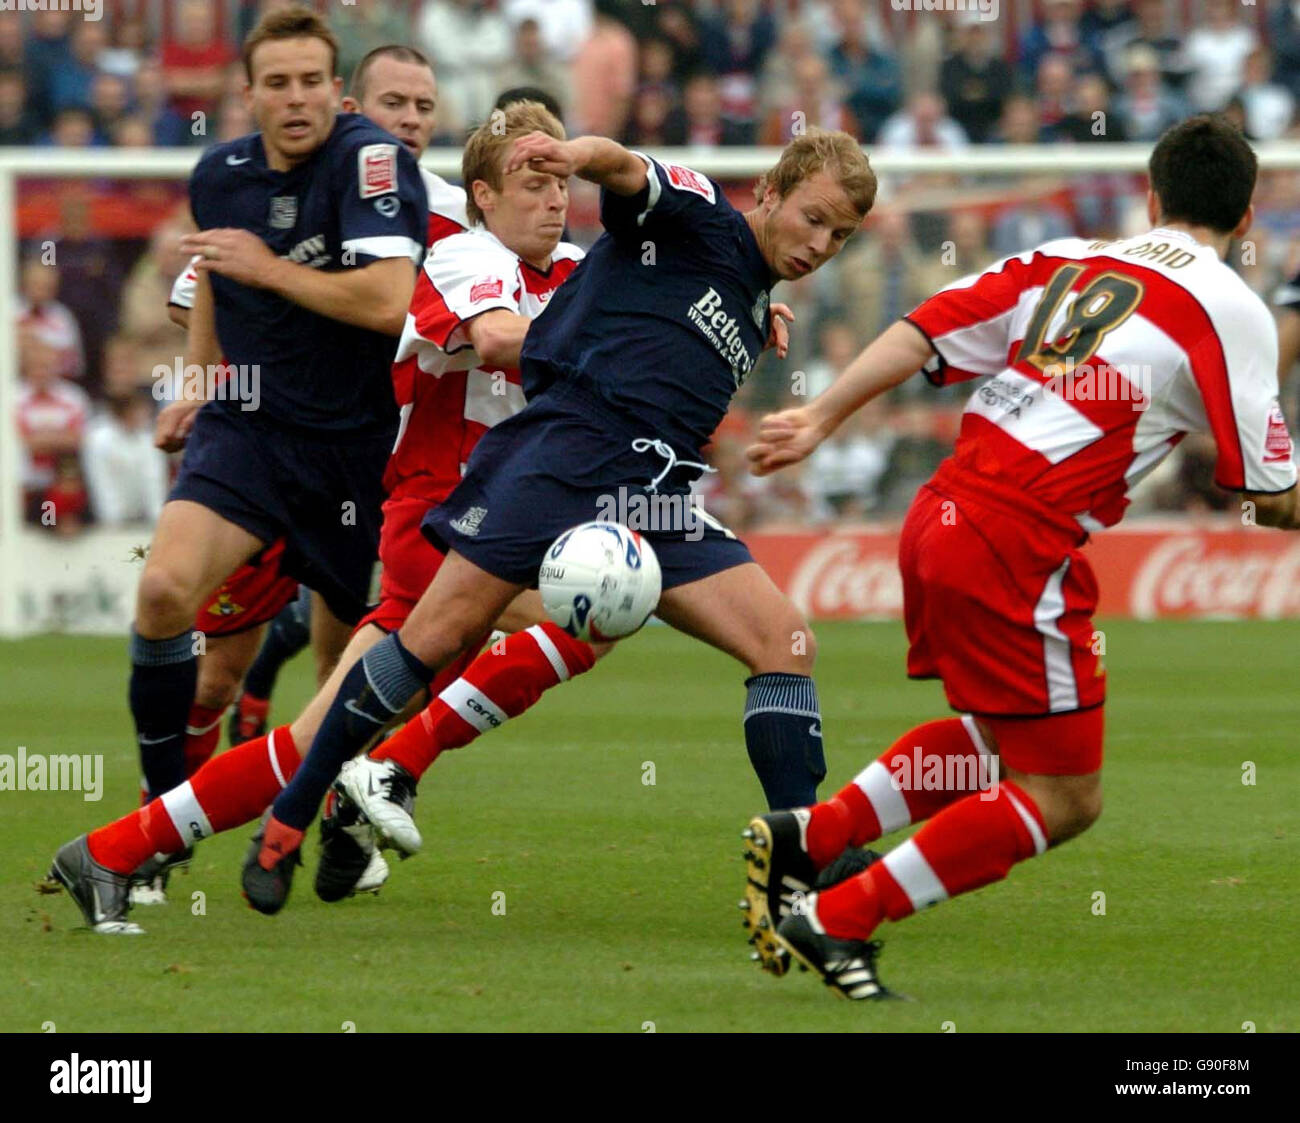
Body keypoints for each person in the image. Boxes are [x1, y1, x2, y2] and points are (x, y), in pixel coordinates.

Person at [739, 115, 1298, 998]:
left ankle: (814, 833)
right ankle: (840, 915)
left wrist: (820, 416)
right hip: (1018, 538)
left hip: (941, 513)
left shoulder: (1068, 258)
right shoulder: (1232, 309)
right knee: (1067, 794)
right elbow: (1271, 494)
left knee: (1001, 745)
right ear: (1247, 216)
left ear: (1149, 197)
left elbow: (921, 329)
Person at [265, 126, 876, 909]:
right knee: (430, 639)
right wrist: (574, 155)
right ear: (773, 191)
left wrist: (761, 311)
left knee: (786, 642)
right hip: (562, 460)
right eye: (813, 217)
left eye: (842, 235)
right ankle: (292, 813)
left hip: (654, 496)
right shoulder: (698, 214)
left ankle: (801, 857)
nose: (821, 243)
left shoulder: (756, 304)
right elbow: (624, 167)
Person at [46, 99, 602, 934]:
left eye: (563, 179)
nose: (554, 197)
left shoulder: (575, 264)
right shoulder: (462, 255)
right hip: (438, 522)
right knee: (590, 605)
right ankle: (385, 774)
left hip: (481, 525)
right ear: (483, 194)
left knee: (314, 735)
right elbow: (497, 341)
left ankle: (113, 852)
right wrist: (208, 376)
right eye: (534, 179)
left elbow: (640, 295)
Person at [45, 6, 428, 930]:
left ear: (335, 93)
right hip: (248, 433)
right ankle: (151, 831)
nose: (295, 99)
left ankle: (330, 820)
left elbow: (387, 301)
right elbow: (216, 272)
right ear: (247, 93)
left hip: (354, 457)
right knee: (164, 593)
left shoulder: (372, 164)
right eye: (277, 83)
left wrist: (270, 268)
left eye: (310, 82)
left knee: (342, 683)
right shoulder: (218, 173)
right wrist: (200, 381)